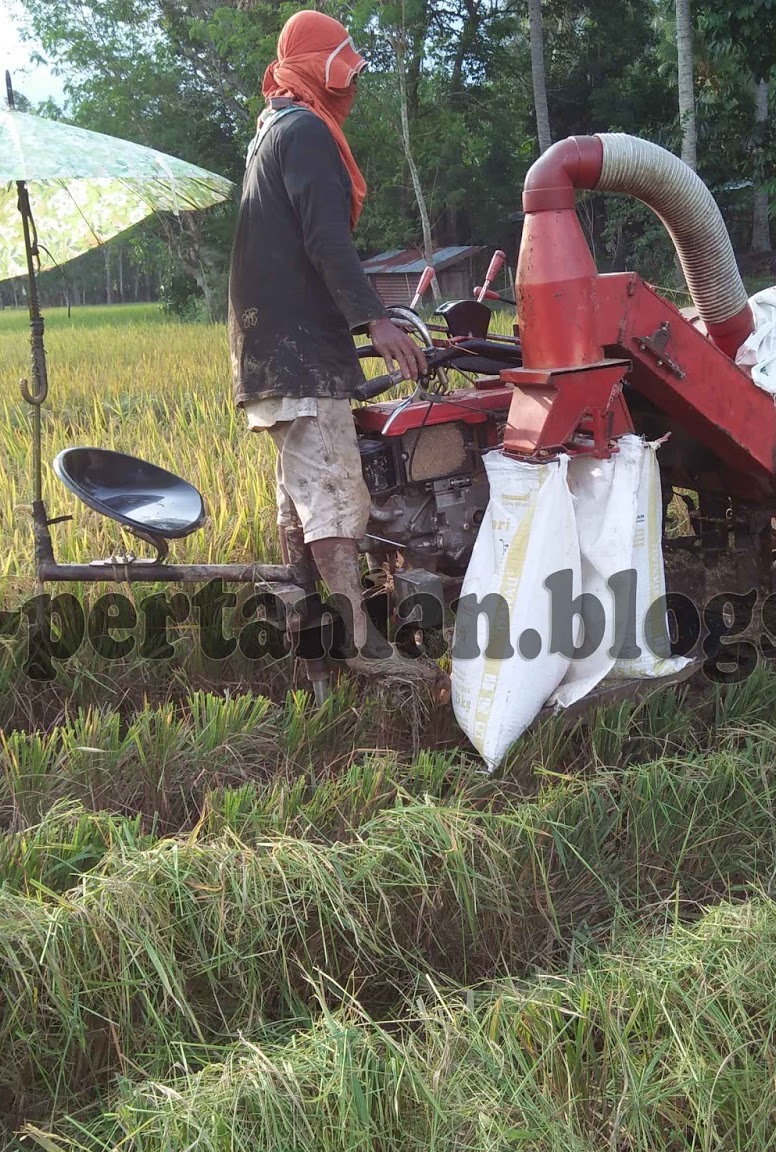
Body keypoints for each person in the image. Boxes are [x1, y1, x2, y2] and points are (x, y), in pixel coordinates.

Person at [228, 9, 437, 685]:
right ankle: (364, 646)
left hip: (268, 350)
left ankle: (313, 635)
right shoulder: (307, 131)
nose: (350, 87)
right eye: (342, 73)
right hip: (297, 354)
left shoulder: (271, 132)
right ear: (318, 70)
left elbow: (301, 247)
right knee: (337, 496)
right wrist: (375, 320)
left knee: (302, 497)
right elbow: (325, 240)